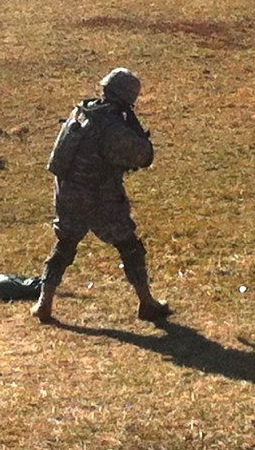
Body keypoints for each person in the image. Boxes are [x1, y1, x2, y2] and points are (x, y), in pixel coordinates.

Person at [31, 68, 172, 324]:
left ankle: (45, 303)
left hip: (67, 191)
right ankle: (146, 302)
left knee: (65, 245)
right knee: (130, 247)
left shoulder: (82, 112)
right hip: (98, 195)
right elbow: (144, 156)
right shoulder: (113, 127)